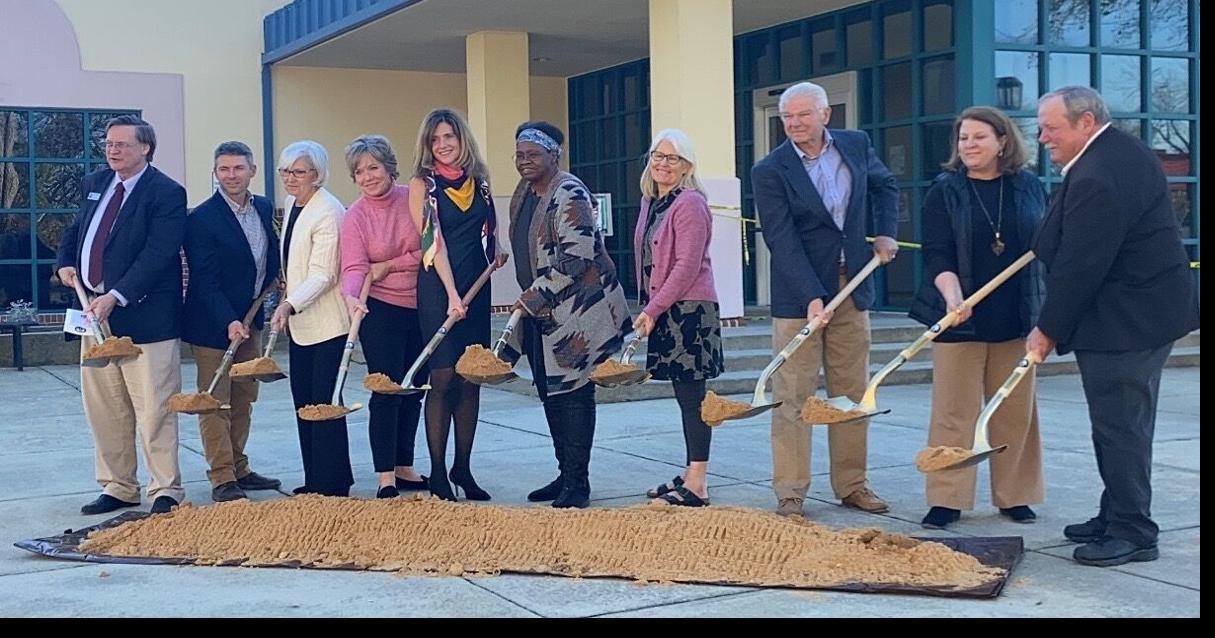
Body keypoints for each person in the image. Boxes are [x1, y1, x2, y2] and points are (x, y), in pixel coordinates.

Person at [1029, 86, 1199, 566]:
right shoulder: (1114, 151)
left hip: (1127, 322)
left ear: (1085, 122)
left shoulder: (1100, 174)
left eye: (1051, 127)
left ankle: (1134, 531)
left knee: (1119, 426)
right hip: (1139, 315)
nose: (1042, 137)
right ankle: (1117, 511)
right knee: (1122, 424)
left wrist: (1047, 328)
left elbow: (1082, 264)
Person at [751, 81, 899, 517]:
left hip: (853, 283)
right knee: (793, 392)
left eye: (803, 115)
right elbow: (781, 238)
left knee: (850, 393)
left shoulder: (855, 145)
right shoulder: (770, 169)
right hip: (800, 294)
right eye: (788, 118)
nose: (795, 124)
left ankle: (852, 484)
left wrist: (887, 230)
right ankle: (791, 490)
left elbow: (886, 185)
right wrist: (812, 296)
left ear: (825, 115)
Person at [909, 107, 1046, 529]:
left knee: (1015, 410)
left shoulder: (1028, 187)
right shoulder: (945, 190)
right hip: (960, 317)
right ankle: (947, 498)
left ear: (1002, 141)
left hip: (1017, 314)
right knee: (954, 412)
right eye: (963, 137)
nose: (968, 144)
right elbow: (937, 254)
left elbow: (1044, 244)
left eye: (978, 137)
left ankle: (1015, 495)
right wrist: (953, 297)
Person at [55, 115, 187, 515]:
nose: (112, 150)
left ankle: (165, 489)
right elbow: (76, 231)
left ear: (145, 147)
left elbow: (158, 253)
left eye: (122, 144)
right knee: (105, 407)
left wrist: (117, 294)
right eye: (108, 144)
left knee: (155, 407)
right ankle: (119, 485)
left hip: (144, 317)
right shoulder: (96, 183)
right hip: (93, 315)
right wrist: (64, 262)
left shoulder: (166, 193)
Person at [502, 121, 630, 509]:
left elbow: (577, 258)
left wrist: (532, 296)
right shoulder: (526, 192)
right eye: (520, 155)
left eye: (534, 154)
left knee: (573, 395)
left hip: (578, 313)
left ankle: (578, 483)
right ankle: (564, 474)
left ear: (553, 155)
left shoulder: (569, 193)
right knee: (550, 393)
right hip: (543, 315)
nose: (525, 162)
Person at [407, 109, 506, 502]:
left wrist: (498, 252)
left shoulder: (480, 183)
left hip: (475, 291)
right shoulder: (423, 185)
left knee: (470, 378)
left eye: (449, 136)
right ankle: (436, 472)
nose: (443, 144)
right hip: (439, 289)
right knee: (444, 376)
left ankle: (462, 467)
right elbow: (432, 244)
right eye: (435, 139)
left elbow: (487, 232)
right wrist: (450, 295)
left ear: (462, 139)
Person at [182, 141, 283, 502]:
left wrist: (275, 283)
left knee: (244, 398)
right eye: (223, 169)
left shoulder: (265, 208)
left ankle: (240, 466)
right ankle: (222, 477)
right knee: (215, 402)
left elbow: (269, 257)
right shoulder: (201, 219)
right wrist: (228, 320)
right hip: (214, 325)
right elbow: (204, 280)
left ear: (252, 170)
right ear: (215, 172)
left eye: (238, 168)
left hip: (250, 320)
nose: (231, 175)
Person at [632, 129, 724, 507]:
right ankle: (690, 472)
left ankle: (698, 484)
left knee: (692, 398)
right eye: (657, 155)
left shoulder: (690, 204)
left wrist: (652, 310)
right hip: (667, 308)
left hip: (690, 312)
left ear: (686, 165)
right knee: (683, 396)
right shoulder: (652, 201)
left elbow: (686, 267)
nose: (662, 163)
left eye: (672, 158)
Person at [339, 135, 428, 499]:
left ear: (389, 167)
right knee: (386, 389)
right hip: (381, 311)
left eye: (373, 167)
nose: (366, 176)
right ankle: (385, 474)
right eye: (359, 171)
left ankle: (405, 465)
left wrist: (390, 264)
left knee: (414, 389)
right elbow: (356, 266)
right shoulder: (354, 216)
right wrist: (351, 296)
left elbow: (426, 248)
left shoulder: (413, 198)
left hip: (423, 306)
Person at [270, 140, 354, 497]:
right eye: (286, 171)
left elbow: (324, 274)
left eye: (299, 172)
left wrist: (288, 304)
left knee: (325, 404)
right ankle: (315, 478)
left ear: (317, 175)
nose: (290, 178)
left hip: (328, 324)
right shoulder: (293, 204)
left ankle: (334, 482)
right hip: (302, 324)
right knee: (304, 402)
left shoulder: (329, 210)